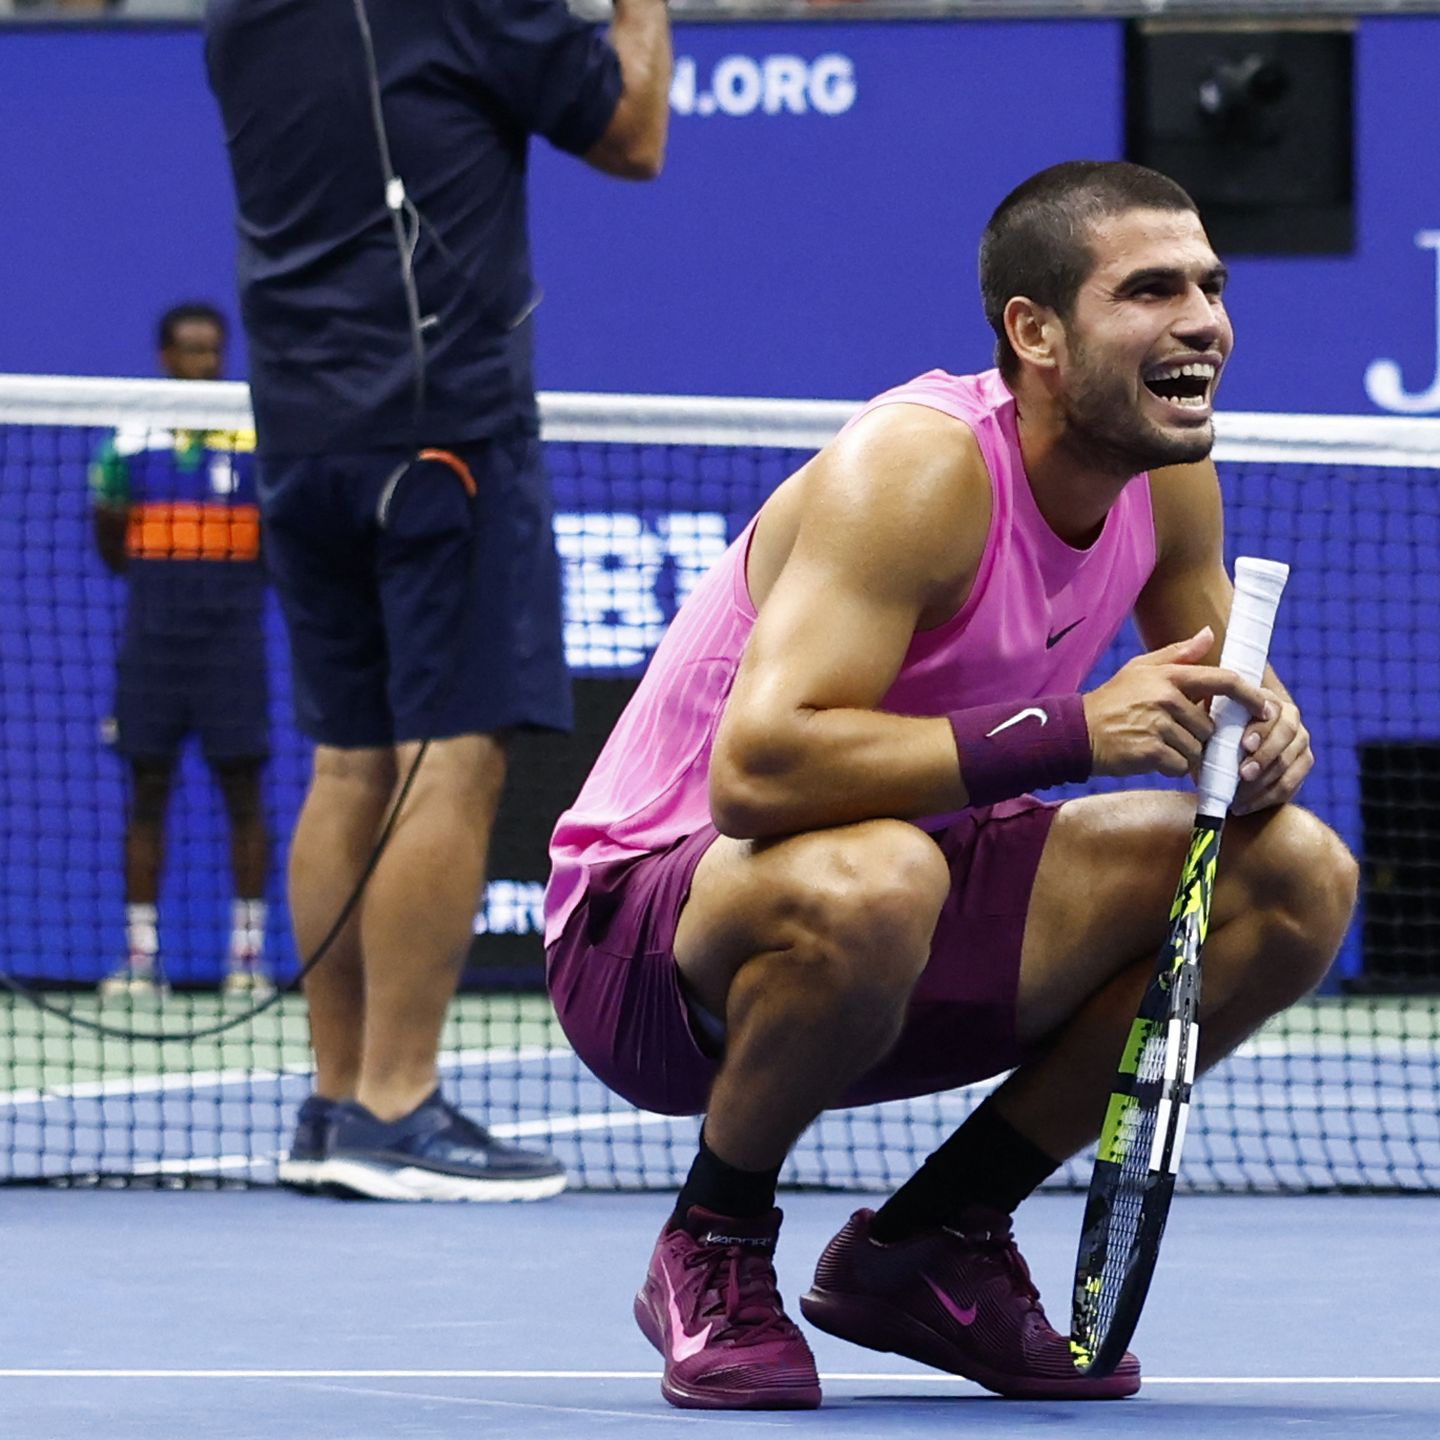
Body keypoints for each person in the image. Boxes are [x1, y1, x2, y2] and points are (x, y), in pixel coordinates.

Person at [544, 160, 1359, 1410]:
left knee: (1296, 873)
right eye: (1150, 290)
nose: (1202, 320)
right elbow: (756, 773)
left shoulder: (1168, 477)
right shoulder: (917, 466)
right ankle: (713, 1238)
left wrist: (1254, 754)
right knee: (881, 874)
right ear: (1035, 332)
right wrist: (1074, 728)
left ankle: (937, 1236)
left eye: (1211, 286)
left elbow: (1215, 724)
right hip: (652, 945)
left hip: (909, 899)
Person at [203, 0, 672, 1201]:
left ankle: (335, 1102)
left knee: (350, 762)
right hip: (441, 432)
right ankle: (398, 1104)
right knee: (449, 758)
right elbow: (634, 136)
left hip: (299, 433)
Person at [91, 302, 274, 1003]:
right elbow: (110, 541)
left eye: (214, 349)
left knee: (245, 796)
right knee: (147, 794)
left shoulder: (256, 435)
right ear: (165, 357)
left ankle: (247, 960)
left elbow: (278, 540)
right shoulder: (129, 440)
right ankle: (140, 959)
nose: (205, 362)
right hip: (153, 647)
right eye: (191, 350)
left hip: (233, 646)